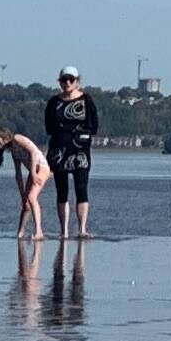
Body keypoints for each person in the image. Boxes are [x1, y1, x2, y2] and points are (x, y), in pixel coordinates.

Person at [41, 70, 100, 240]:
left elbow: (93, 125)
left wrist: (81, 135)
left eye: (70, 80)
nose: (67, 83)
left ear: (76, 81)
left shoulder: (86, 100)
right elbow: (49, 127)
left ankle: (82, 229)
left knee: (81, 188)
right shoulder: (54, 102)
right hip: (59, 150)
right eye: (63, 80)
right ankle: (64, 231)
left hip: (80, 150)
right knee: (62, 191)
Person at [0, 124, 48, 242]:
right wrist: (22, 195)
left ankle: (39, 231)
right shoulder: (13, 152)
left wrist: (33, 173)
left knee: (32, 197)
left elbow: (33, 152)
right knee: (26, 203)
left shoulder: (17, 138)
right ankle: (20, 233)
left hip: (41, 167)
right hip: (33, 171)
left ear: (3, 136)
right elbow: (18, 175)